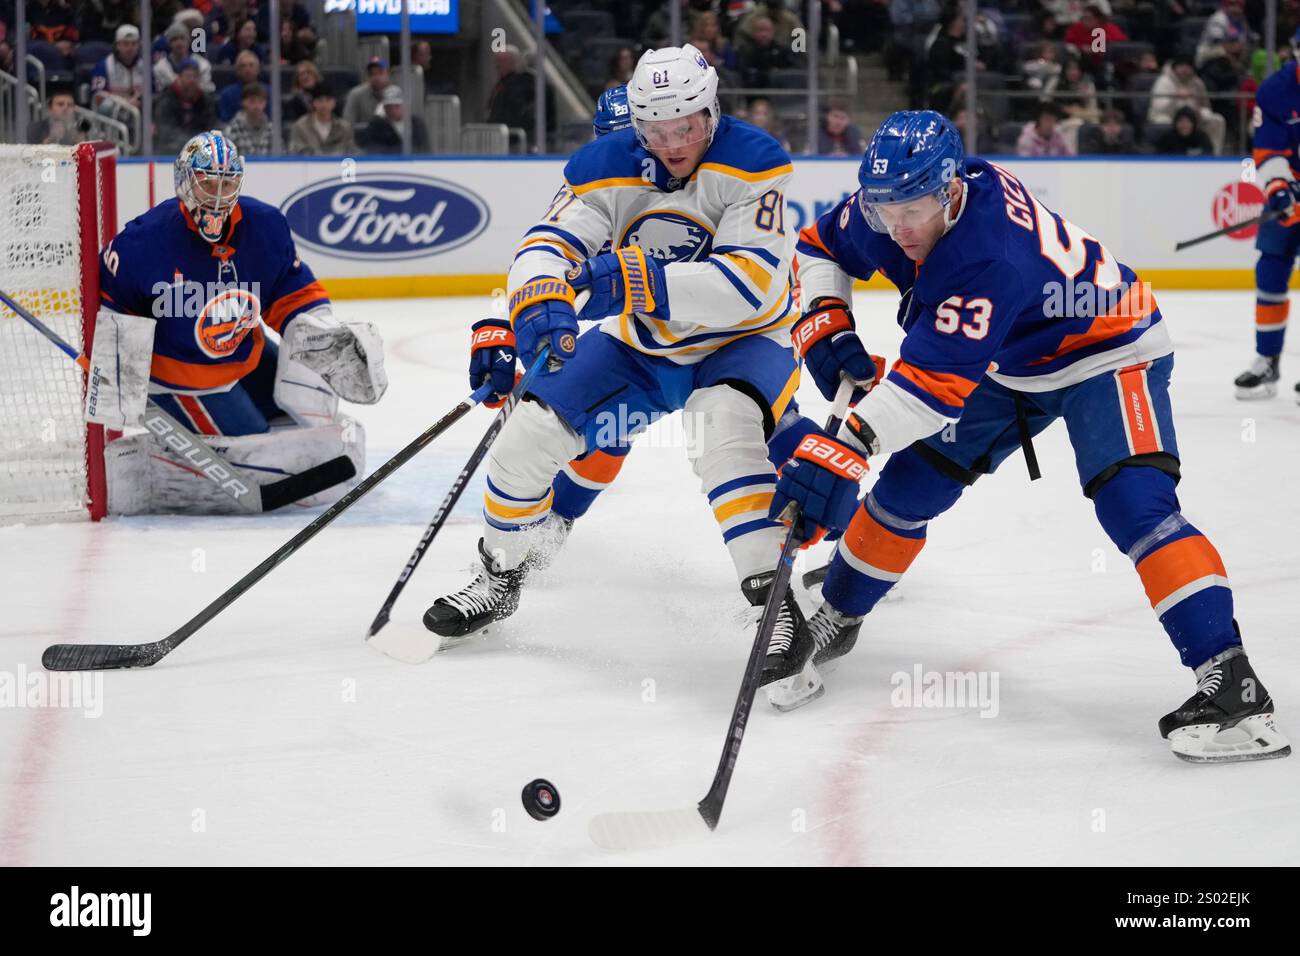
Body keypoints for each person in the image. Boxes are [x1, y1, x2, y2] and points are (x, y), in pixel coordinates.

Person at [765, 109, 1289, 764]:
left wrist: (845, 447)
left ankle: (1233, 683)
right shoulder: (896, 207)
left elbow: (927, 391)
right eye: (884, 206)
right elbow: (817, 246)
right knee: (908, 487)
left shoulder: (988, 253)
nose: (900, 226)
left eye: (917, 205)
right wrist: (826, 322)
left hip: (1111, 349)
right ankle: (837, 618)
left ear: (952, 188)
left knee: (1135, 506)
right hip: (1011, 359)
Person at [425, 44, 813, 651]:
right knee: (526, 433)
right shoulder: (603, 164)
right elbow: (547, 243)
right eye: (656, 130)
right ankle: (500, 576)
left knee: (726, 431)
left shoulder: (754, 162)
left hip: (741, 342)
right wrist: (533, 302)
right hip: (645, 348)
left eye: (685, 126)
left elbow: (747, 284)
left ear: (711, 113)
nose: (673, 142)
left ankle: (775, 605)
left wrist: (631, 280)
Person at [90, 131, 385, 515]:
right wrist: (117, 384)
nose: (217, 193)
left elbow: (289, 292)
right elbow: (112, 306)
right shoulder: (143, 243)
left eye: (227, 181)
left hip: (245, 355)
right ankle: (163, 466)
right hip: (182, 377)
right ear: (185, 180)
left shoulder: (264, 226)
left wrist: (320, 330)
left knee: (299, 415)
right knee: (256, 443)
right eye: (207, 180)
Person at [1234, 33, 1300, 399]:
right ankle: (1267, 360)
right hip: (1291, 187)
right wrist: (1279, 190)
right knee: (1270, 270)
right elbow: (1269, 148)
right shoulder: (1276, 89)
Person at [154, 59, 217, 154]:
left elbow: (211, 126)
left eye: (195, 76)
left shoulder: (205, 101)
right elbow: (166, 132)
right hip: (170, 154)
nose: (191, 80)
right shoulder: (166, 100)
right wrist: (195, 142)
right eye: (188, 76)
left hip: (200, 153)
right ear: (179, 78)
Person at [90, 23, 149, 116]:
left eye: (134, 44)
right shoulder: (103, 66)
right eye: (126, 44)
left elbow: (154, 92)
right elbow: (98, 98)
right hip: (114, 116)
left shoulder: (146, 65)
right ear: (117, 45)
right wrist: (125, 104)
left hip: (141, 113)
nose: (130, 48)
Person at [358, 85, 430, 154]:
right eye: (389, 107)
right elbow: (372, 149)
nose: (393, 110)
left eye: (397, 106)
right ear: (384, 108)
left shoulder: (416, 124)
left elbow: (424, 149)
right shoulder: (377, 126)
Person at [288, 82, 356, 155]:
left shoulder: (344, 128)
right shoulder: (300, 126)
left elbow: (351, 152)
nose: (324, 105)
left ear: (334, 103)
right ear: (313, 103)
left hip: (338, 166)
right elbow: (295, 153)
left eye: (328, 100)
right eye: (320, 100)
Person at [153, 21, 215, 94]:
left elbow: (207, 88)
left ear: (189, 41)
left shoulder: (202, 63)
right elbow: (164, 92)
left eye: (182, 38)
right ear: (169, 43)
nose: (179, 43)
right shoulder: (160, 67)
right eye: (175, 39)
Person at [217, 49, 266, 124]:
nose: (247, 69)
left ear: (258, 69)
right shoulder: (227, 94)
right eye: (243, 66)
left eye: (251, 65)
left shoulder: (269, 92)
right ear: (237, 71)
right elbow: (225, 121)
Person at [225, 82, 274, 155]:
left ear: (265, 103)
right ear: (243, 102)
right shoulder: (232, 129)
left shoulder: (272, 128)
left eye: (260, 101)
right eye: (252, 101)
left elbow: (280, 156)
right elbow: (228, 158)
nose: (257, 106)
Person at [343, 56, 390, 128]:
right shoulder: (355, 94)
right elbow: (347, 124)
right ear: (368, 77)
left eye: (380, 73)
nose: (376, 77)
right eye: (372, 74)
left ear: (388, 75)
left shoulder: (396, 94)